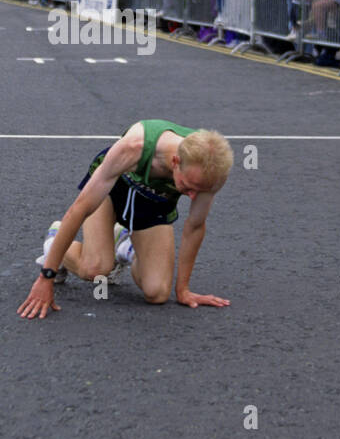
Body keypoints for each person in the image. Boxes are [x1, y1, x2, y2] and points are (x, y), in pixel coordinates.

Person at [18, 121, 234, 320]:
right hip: (113, 190)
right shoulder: (134, 147)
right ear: (176, 162)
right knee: (96, 269)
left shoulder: (209, 173)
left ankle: (124, 245)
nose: (193, 197)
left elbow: (195, 226)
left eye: (199, 191)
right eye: (188, 187)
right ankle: (54, 242)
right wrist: (47, 276)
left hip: (153, 202)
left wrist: (183, 291)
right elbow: (80, 209)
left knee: (157, 292)